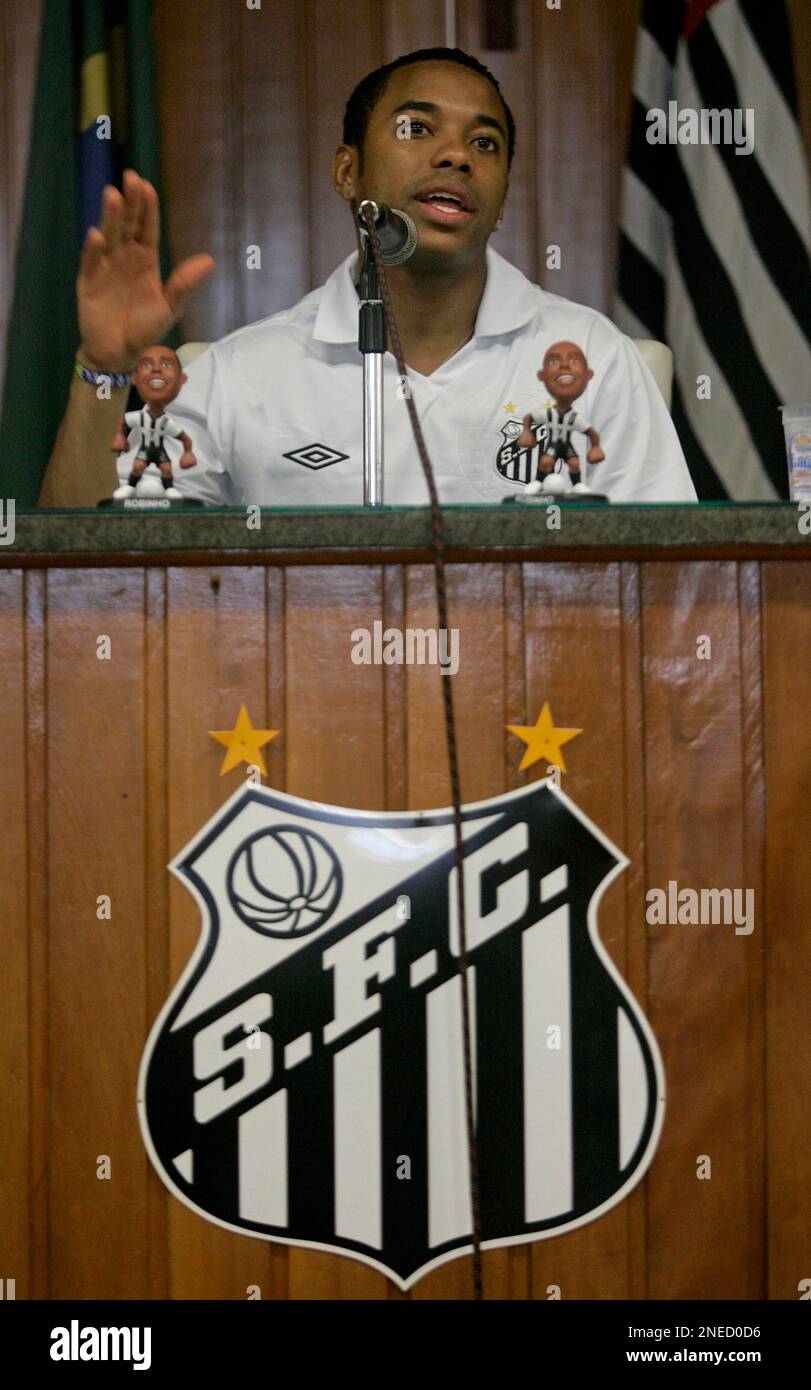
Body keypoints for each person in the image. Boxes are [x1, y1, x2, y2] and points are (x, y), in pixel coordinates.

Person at [38, 47, 697, 508]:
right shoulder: (243, 373)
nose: (455, 156)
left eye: (484, 143)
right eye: (417, 127)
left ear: (500, 201)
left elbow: (670, 583)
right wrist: (106, 367)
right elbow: (86, 566)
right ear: (347, 172)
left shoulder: (591, 358)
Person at [111, 345, 197, 499]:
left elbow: (184, 437)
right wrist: (119, 436)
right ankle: (130, 487)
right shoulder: (140, 417)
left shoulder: (170, 420)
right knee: (137, 467)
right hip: (144, 449)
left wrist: (188, 453)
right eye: (147, 364)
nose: (156, 370)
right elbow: (122, 421)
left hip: (159, 450)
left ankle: (169, 488)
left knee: (166, 468)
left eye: (165, 365)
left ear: (181, 379)